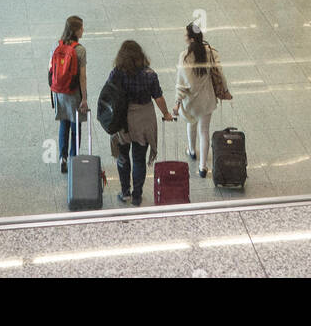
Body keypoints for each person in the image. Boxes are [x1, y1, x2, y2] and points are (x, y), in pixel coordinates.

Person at [105, 40, 173, 206]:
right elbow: (158, 97)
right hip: (144, 120)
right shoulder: (150, 74)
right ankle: (137, 196)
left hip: (123, 120)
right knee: (139, 159)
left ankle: (125, 192)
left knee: (123, 156)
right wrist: (166, 113)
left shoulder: (117, 73)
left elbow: (108, 94)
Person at [173, 21, 231, 179]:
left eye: (186, 35)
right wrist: (224, 90)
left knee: (191, 124)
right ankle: (203, 167)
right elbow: (219, 74)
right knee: (204, 131)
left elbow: (181, 83)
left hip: (191, 101)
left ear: (191, 39)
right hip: (207, 99)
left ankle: (192, 151)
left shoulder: (184, 57)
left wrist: (177, 103)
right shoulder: (210, 52)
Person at [49, 16, 89, 174]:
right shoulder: (80, 50)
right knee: (75, 126)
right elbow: (82, 77)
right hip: (74, 94)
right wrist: (84, 99)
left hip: (59, 93)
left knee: (63, 124)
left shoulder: (56, 46)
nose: (83, 30)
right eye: (81, 28)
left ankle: (62, 158)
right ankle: (73, 158)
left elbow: (51, 71)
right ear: (76, 31)